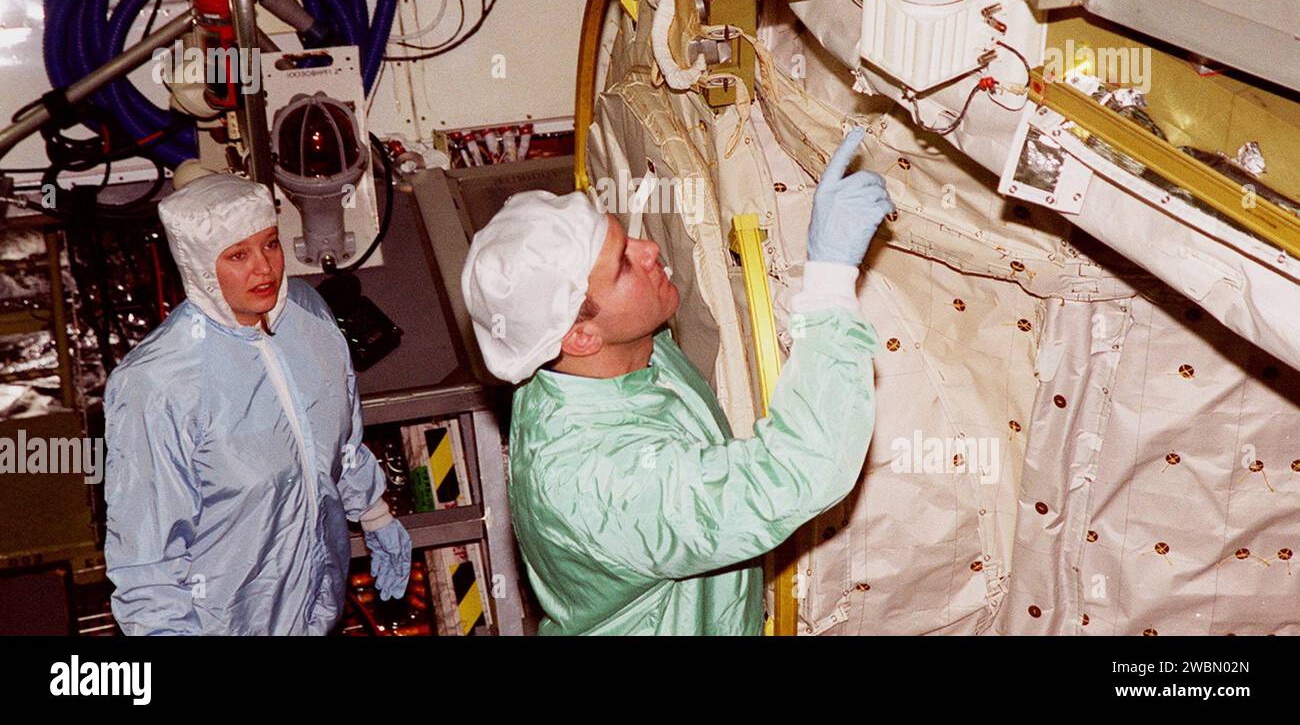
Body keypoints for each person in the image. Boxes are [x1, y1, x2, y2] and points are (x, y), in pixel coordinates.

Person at [462, 128, 892, 634]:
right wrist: (830, 281)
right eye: (624, 264)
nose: (648, 249)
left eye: (625, 238)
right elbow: (796, 473)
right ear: (579, 336)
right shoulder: (602, 482)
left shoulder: (603, 359)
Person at [103, 173, 411, 635]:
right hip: (225, 622)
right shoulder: (157, 383)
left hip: (317, 606)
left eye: (270, 244)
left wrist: (375, 514)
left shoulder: (309, 317)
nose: (264, 269)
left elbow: (340, 440)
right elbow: (146, 557)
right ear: (201, 267)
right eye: (238, 255)